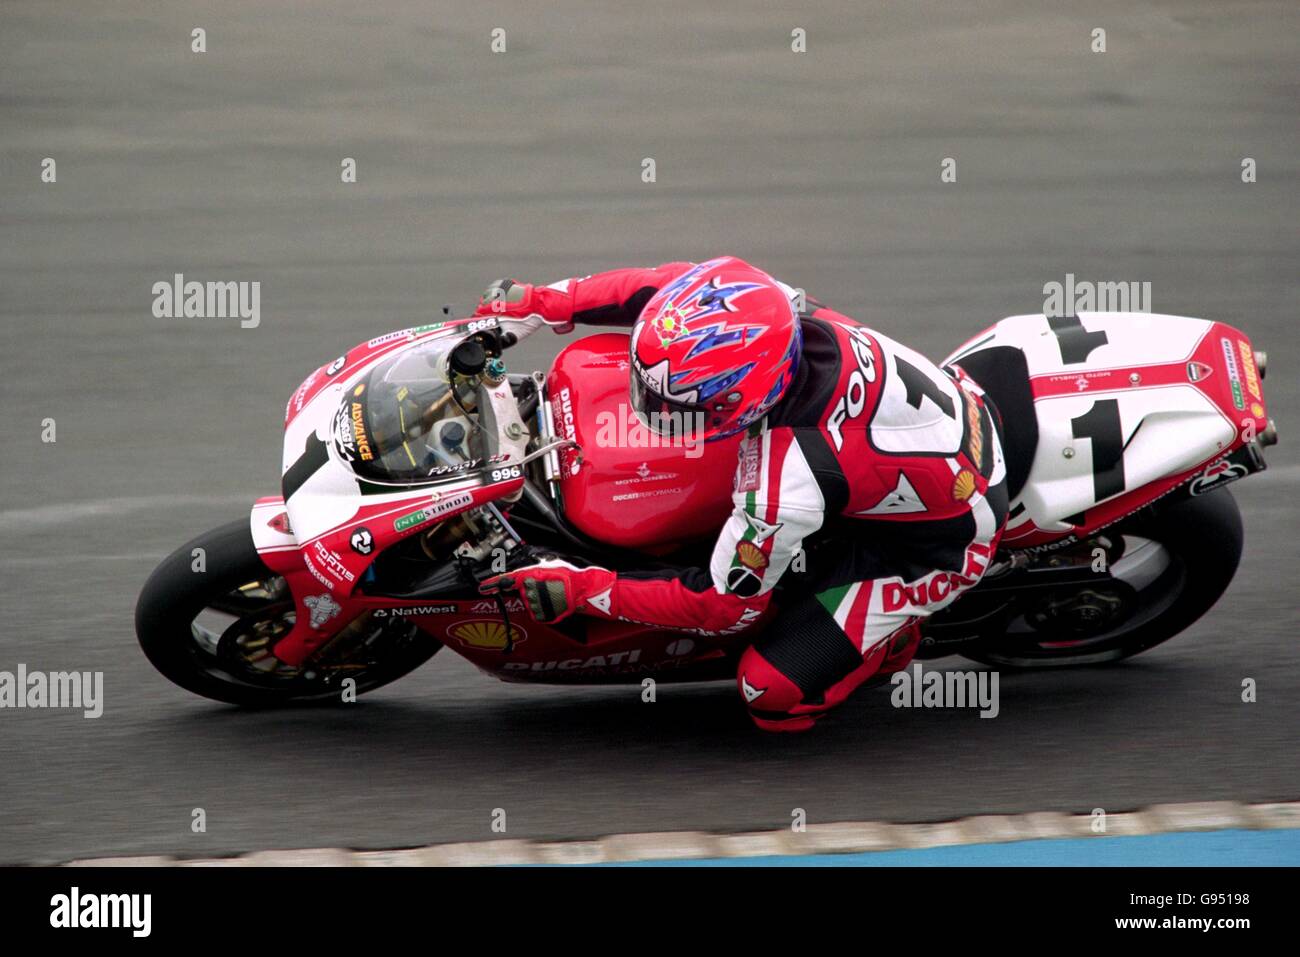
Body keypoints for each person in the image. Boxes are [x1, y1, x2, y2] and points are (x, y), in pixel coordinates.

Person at [478, 256, 1008, 731]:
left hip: (935, 544)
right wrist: (543, 302)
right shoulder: (762, 303)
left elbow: (723, 607)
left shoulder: (789, 478)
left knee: (771, 694)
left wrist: (583, 589)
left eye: (678, 407)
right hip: (929, 434)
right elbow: (657, 288)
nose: (652, 411)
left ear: (747, 397)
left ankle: (894, 640)